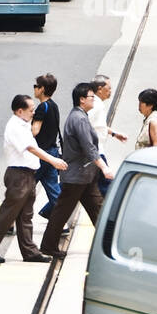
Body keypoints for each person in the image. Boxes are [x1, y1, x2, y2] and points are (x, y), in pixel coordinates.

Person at [0, 95, 66, 264]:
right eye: (31, 110)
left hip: (28, 175)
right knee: (7, 216)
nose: (33, 113)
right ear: (20, 111)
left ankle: (30, 252)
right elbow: (31, 148)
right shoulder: (15, 127)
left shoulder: (23, 124)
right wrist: (52, 160)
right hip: (18, 177)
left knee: (26, 216)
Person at [40, 82, 116, 258]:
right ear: (82, 100)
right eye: (91, 97)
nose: (94, 100)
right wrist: (104, 168)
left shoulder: (80, 116)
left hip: (85, 176)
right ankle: (48, 246)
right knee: (61, 212)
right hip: (76, 176)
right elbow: (89, 148)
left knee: (97, 208)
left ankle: (108, 243)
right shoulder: (79, 119)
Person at [88, 74, 126, 198]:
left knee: (79, 187)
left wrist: (114, 133)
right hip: (96, 151)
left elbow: (98, 125)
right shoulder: (95, 105)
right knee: (108, 186)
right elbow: (84, 124)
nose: (110, 91)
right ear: (99, 89)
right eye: (108, 88)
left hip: (95, 150)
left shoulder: (97, 103)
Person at [31, 74, 63, 221]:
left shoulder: (41, 107)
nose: (34, 89)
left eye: (36, 86)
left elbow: (35, 131)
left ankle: (10, 222)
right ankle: (61, 224)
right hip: (53, 153)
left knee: (23, 189)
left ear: (42, 89)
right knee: (53, 189)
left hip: (41, 155)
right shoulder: (54, 106)